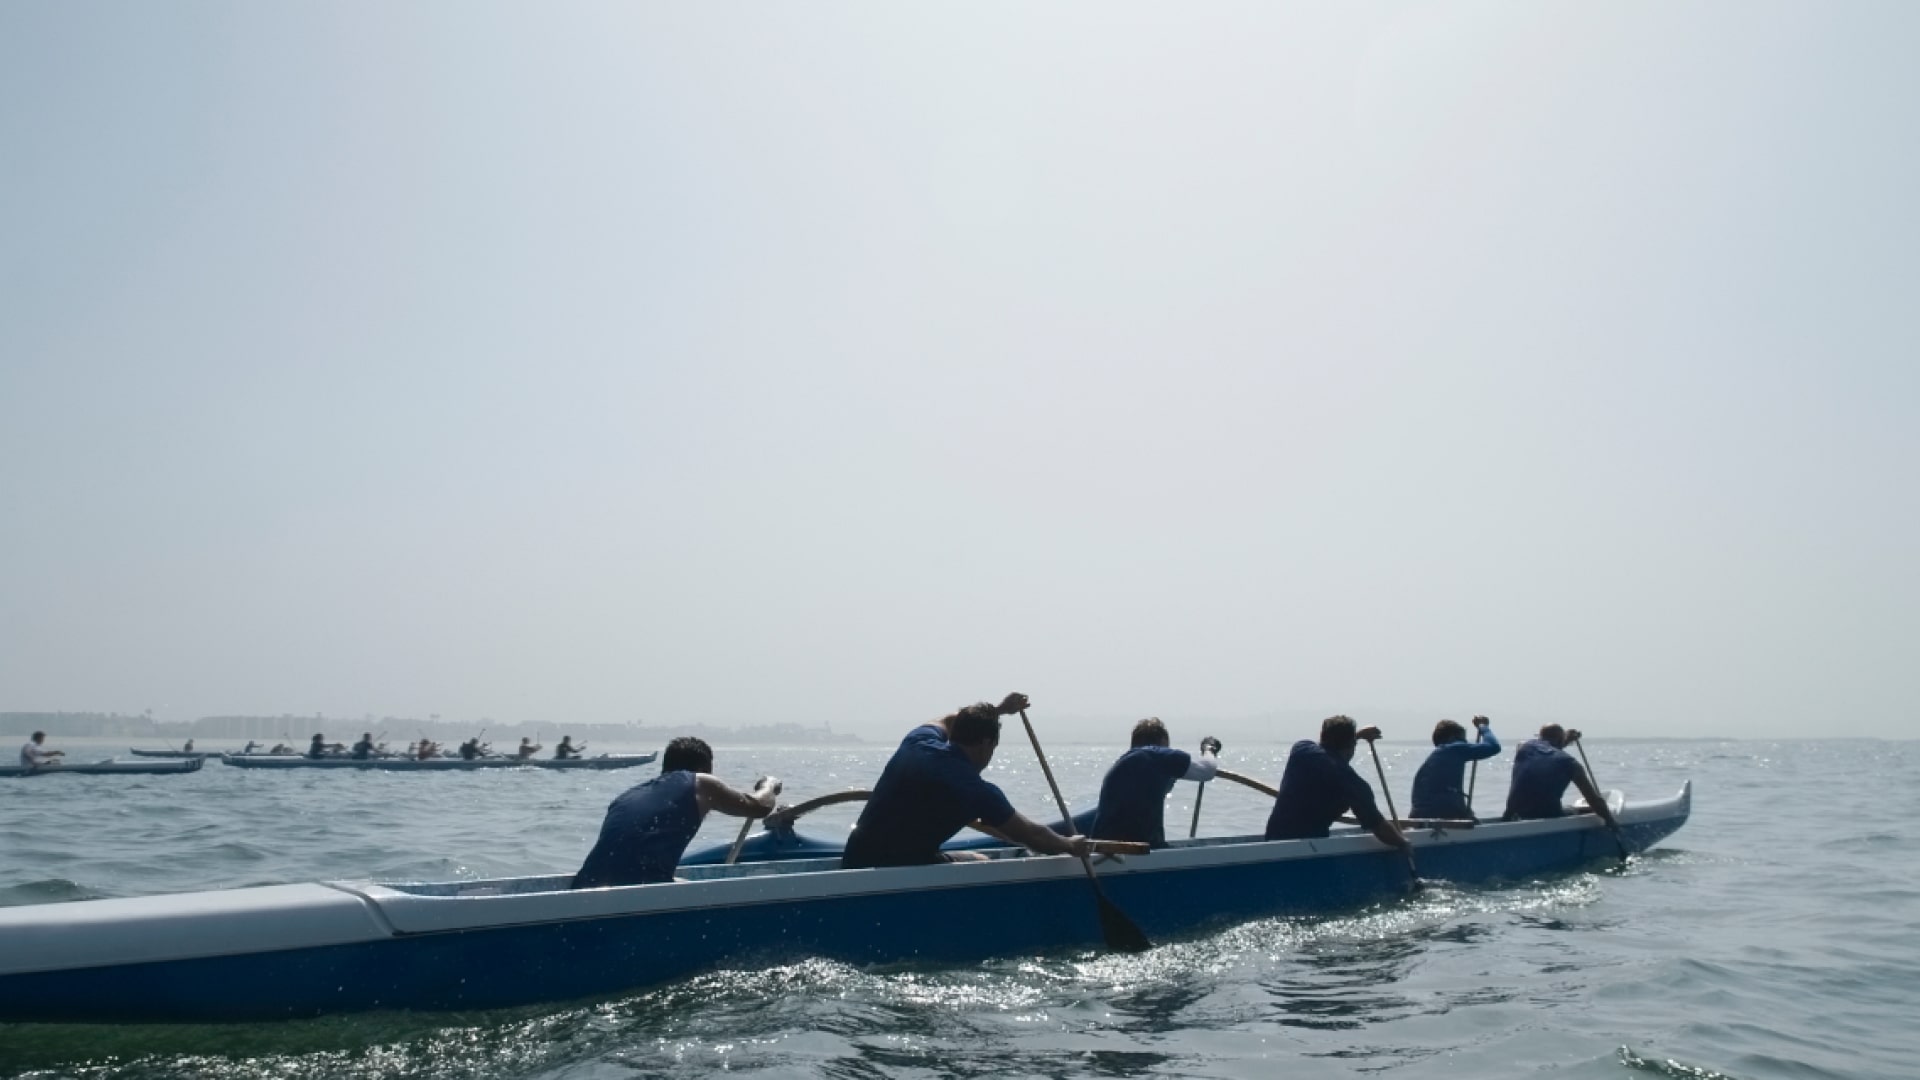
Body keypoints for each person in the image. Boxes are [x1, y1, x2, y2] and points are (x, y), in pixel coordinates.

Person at [841, 692, 1093, 869]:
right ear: (986, 744)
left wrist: (998, 710)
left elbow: (949, 720)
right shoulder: (976, 791)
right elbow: (1033, 836)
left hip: (854, 859)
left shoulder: (916, 742)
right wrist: (1070, 845)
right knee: (982, 862)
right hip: (902, 870)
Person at [572, 737, 781, 888]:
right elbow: (759, 807)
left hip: (584, 889)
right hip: (634, 896)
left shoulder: (625, 798)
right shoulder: (701, 782)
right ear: (703, 768)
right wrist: (769, 785)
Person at [1264, 716, 1412, 856]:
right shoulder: (1351, 782)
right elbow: (1379, 827)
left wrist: (1358, 736)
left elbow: (1328, 750)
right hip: (1308, 850)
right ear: (1352, 745)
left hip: (1272, 840)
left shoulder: (1301, 750)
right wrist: (1403, 843)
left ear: (1323, 736)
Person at [1089, 719, 1221, 848]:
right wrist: (1209, 748)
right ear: (1163, 742)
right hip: (1134, 852)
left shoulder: (1124, 763)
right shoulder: (1157, 755)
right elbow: (1207, 770)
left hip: (1104, 849)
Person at [1503, 725, 1620, 827]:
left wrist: (1566, 737)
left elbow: (1550, 744)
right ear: (1560, 740)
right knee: (1585, 810)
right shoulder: (1571, 763)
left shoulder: (1523, 747)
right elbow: (1593, 800)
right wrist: (1610, 821)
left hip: (1515, 814)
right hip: (1549, 817)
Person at [1409, 716, 1502, 821]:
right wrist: (1483, 727)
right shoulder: (1455, 748)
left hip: (1418, 816)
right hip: (1440, 815)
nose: (1466, 743)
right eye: (1463, 739)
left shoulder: (1435, 758)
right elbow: (1493, 747)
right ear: (1452, 738)